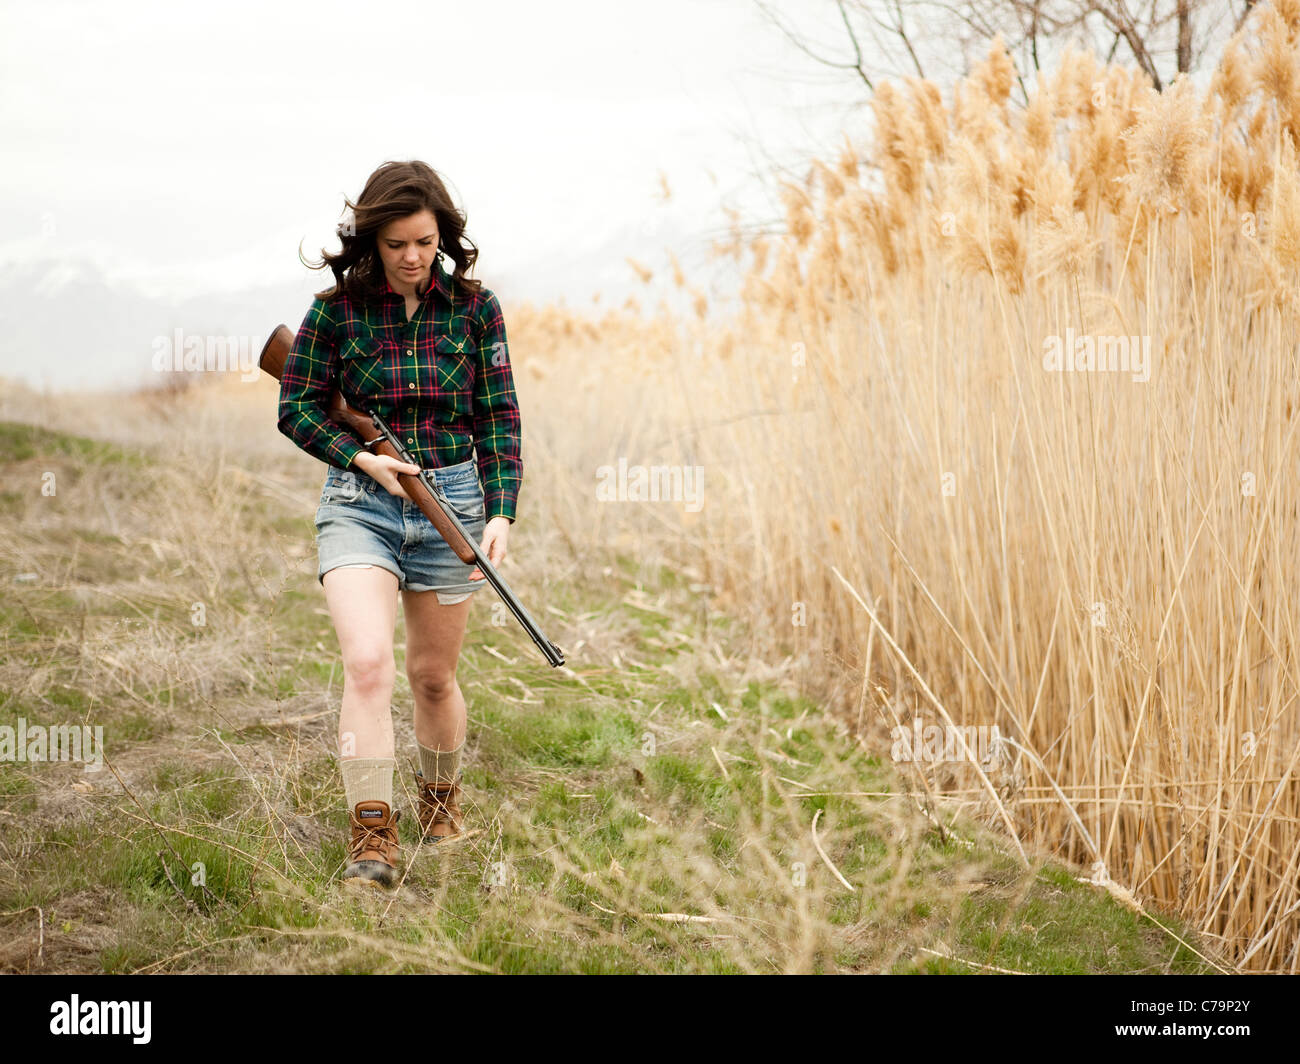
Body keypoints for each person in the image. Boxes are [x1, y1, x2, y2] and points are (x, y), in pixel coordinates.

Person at [276, 160, 522, 888]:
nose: (412, 257)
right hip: (362, 505)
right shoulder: (335, 312)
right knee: (368, 665)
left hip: (451, 503)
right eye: (394, 245)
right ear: (371, 243)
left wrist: (502, 510)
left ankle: (439, 806)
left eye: (423, 240)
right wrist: (360, 457)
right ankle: (371, 837)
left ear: (443, 234)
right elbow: (296, 407)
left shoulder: (478, 311)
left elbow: (499, 417)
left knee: (433, 678)